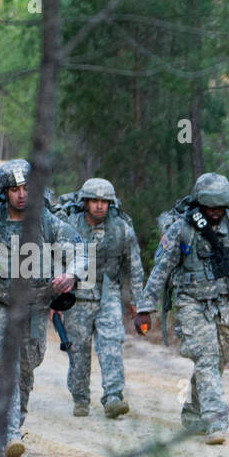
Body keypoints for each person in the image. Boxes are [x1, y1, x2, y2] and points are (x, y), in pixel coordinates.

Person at [0, 159, 86, 457]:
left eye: (27, 188)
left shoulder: (45, 221)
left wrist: (71, 274)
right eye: (15, 189)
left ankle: (12, 424)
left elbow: (80, 248)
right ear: (5, 192)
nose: (22, 195)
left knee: (26, 369)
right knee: (6, 367)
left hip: (36, 306)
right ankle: (9, 433)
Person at [133, 173, 229, 444]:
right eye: (210, 206)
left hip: (228, 304)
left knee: (219, 359)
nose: (215, 211)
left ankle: (192, 413)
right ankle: (216, 420)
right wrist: (144, 308)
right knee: (207, 357)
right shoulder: (182, 229)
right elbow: (162, 270)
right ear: (199, 203)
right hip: (190, 302)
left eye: (220, 206)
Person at [60, 177, 143, 418]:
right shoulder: (69, 226)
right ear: (85, 202)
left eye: (104, 202)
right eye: (94, 201)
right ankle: (80, 397)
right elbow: (56, 261)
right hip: (77, 296)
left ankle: (113, 397)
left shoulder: (122, 229)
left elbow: (134, 266)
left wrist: (138, 302)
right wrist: (53, 297)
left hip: (108, 294)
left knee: (111, 345)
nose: (99, 206)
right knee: (79, 350)